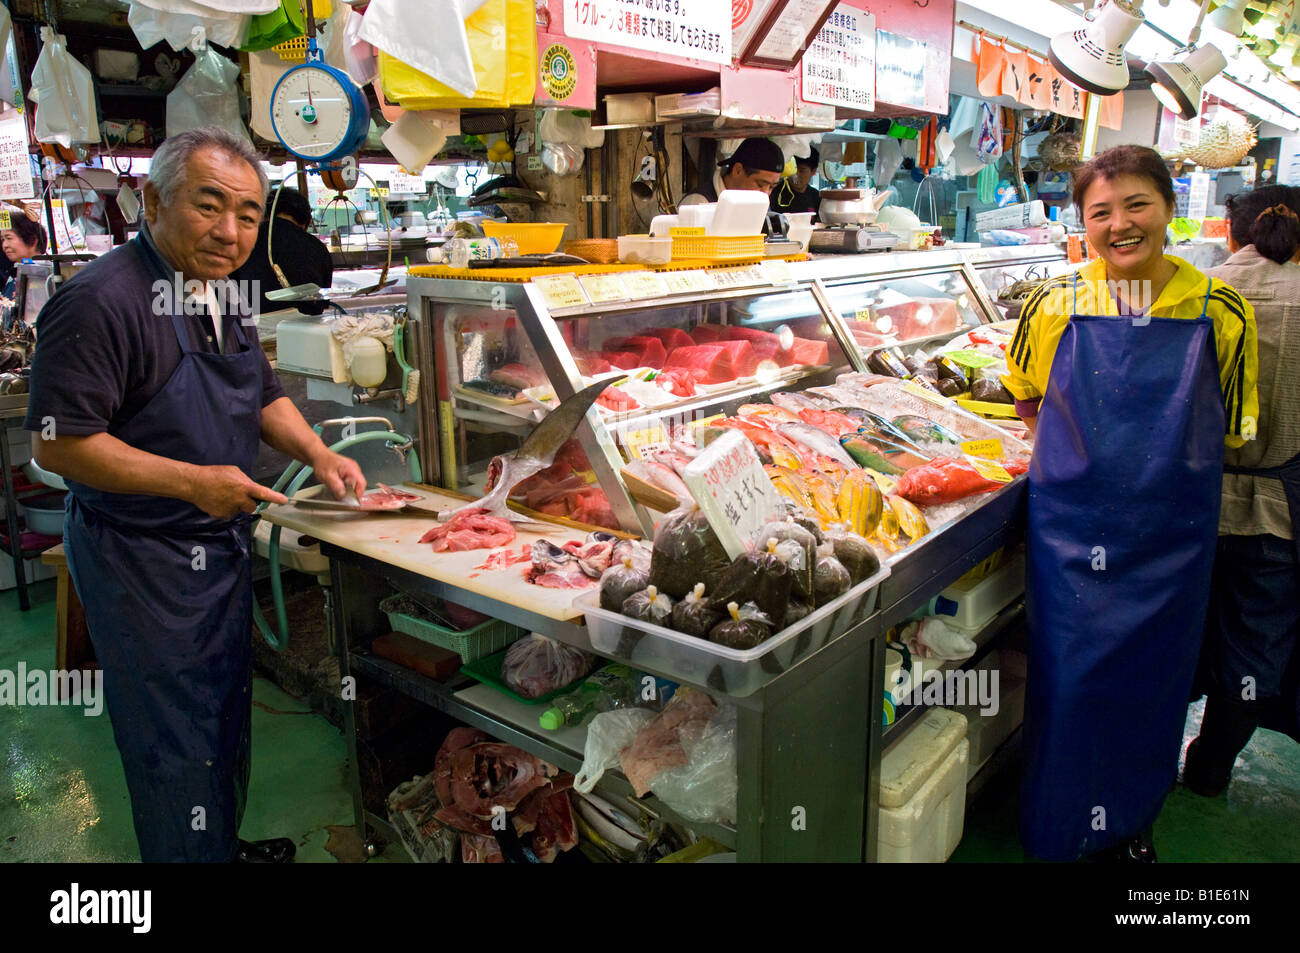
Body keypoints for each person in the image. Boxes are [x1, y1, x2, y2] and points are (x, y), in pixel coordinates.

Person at [23, 127, 366, 863]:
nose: (231, 231)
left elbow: (260, 388)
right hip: (139, 558)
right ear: (152, 200)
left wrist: (319, 452)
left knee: (220, 719)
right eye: (210, 206)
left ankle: (216, 846)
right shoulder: (98, 303)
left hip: (215, 547)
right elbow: (55, 441)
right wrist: (191, 482)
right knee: (171, 737)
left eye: (247, 213)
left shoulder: (221, 288)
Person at [1002, 145, 1259, 862]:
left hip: (1172, 538)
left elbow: (1235, 426)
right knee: (1069, 678)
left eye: (1136, 205)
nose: (1120, 224)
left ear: (1170, 209)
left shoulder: (1223, 309)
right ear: (1083, 223)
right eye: (1100, 212)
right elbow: (1025, 394)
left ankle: (1128, 822)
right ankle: (1057, 824)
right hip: (1071, 533)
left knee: (1153, 684)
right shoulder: (1054, 304)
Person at [1183, 185, 1300, 796]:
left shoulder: (1192, 291)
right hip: (1278, 513)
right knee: (1255, 648)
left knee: (1168, 631)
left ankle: (1141, 762)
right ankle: (1210, 767)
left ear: (1232, 234)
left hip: (1183, 504)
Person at [229, 186, 333, 316]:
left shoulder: (246, 240)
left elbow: (228, 292)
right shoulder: (317, 247)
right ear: (305, 220)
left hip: (252, 327)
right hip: (305, 331)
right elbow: (321, 302)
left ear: (264, 214)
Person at [680, 137, 785, 206]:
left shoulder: (759, 205)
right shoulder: (699, 203)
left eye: (771, 187)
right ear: (738, 170)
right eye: (760, 184)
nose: (766, 194)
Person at [1, 212, 48, 330]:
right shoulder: (14, 274)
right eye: (2, 240)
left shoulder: (43, 276)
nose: (4, 245)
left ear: (32, 240)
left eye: (9, 238)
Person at [770, 147, 820, 217]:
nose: (795, 175)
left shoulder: (816, 197)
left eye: (801, 171)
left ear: (813, 171)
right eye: (793, 170)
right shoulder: (774, 194)